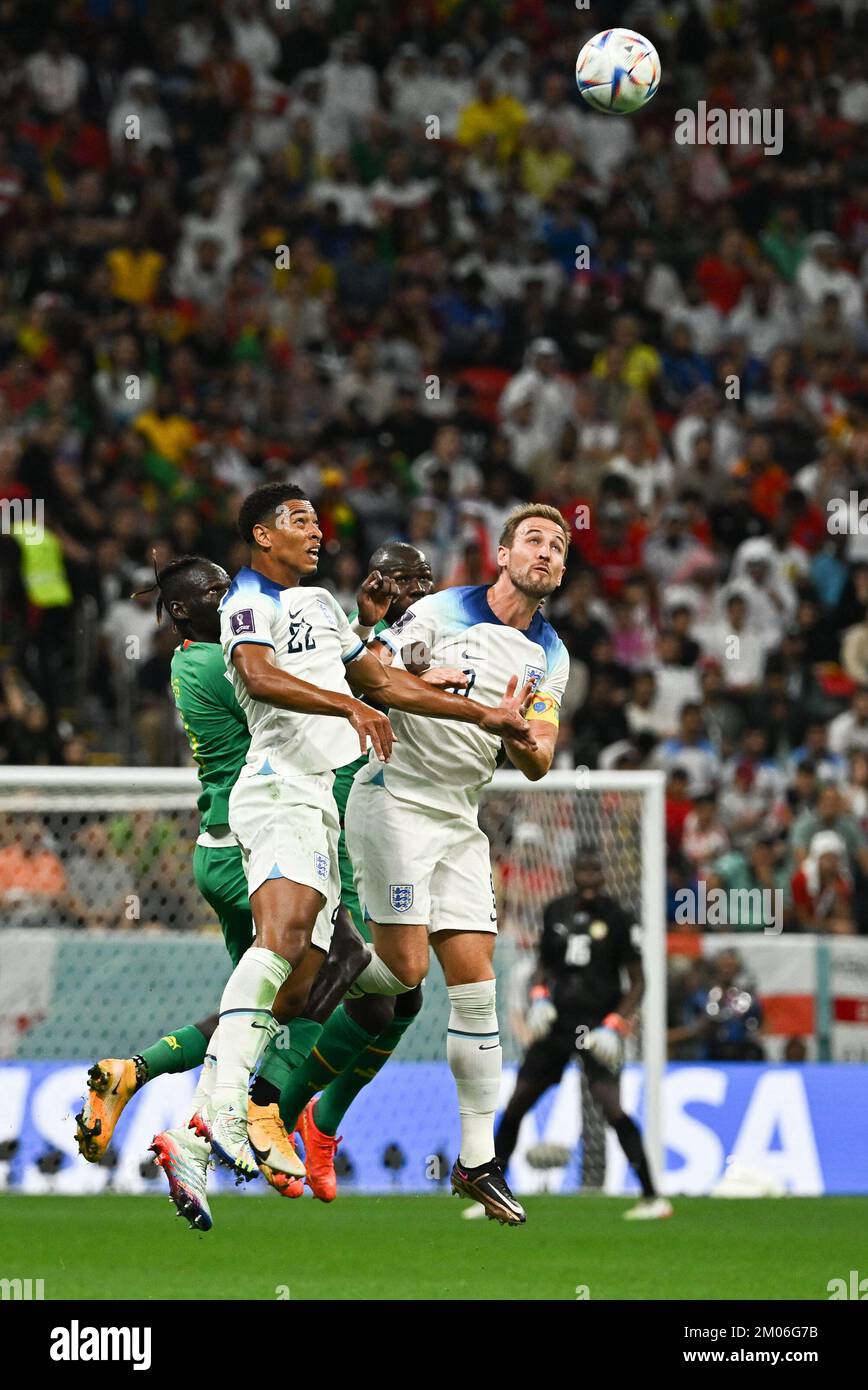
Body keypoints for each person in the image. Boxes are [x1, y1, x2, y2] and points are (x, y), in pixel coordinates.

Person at [193, 483, 534, 1222]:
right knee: (294, 949)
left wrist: (478, 710)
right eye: (298, 520)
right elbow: (258, 674)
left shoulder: (318, 605)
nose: (316, 530)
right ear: (260, 534)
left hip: (324, 803)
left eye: (318, 519)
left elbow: (376, 676)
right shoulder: (249, 600)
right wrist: (352, 702)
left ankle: (230, 1113)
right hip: (283, 788)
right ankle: (232, 1102)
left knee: (330, 978)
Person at [77, 552, 384, 1219]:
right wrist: (358, 646)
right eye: (217, 590)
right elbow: (295, 690)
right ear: (184, 610)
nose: (232, 594)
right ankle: (261, 1107)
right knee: (337, 966)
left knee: (276, 1003)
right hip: (261, 837)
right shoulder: (219, 661)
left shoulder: (205, 653)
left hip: (240, 839)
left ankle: (151, 1088)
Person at [344, 504, 571, 1225]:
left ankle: (477, 1161)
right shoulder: (444, 609)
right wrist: (454, 694)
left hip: (460, 818)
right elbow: (370, 676)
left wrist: (520, 735)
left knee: (477, 985)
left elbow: (538, 759)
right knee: (406, 973)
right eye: (533, 540)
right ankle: (324, 955)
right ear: (502, 555)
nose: (546, 552)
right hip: (397, 794)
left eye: (559, 547)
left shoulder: (551, 656)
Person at [493, 848, 671, 1221]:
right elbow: (542, 967)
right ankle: (493, 1191)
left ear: (603, 874)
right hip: (558, 1023)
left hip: (597, 1026)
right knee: (517, 1102)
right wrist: (539, 998)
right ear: (573, 872)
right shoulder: (555, 911)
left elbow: (638, 982)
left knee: (612, 1106)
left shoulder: (619, 918)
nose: (589, 877)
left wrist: (615, 1024)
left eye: (595, 870)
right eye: (583, 870)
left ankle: (653, 1196)